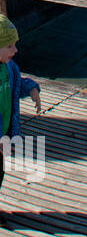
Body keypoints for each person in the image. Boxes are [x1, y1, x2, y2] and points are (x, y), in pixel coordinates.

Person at [0, 15, 40, 188]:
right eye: (9, 46)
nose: (15, 50)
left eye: (15, 44)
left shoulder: (9, 66)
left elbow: (16, 83)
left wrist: (31, 88)